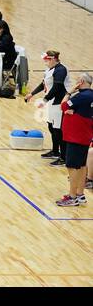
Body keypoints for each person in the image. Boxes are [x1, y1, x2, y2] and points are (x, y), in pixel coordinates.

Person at [57, 72, 93, 207]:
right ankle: (80, 194)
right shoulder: (91, 95)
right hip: (85, 135)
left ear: (82, 81)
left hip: (76, 137)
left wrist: (69, 92)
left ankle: (72, 197)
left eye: (77, 80)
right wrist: (74, 112)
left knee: (72, 166)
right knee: (82, 165)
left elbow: (63, 106)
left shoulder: (81, 96)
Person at [26, 50, 68, 161]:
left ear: (53, 58)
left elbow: (57, 88)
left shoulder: (61, 70)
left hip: (59, 103)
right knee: (51, 127)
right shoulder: (49, 69)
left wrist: (45, 99)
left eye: (46, 60)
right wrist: (32, 93)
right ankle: (55, 151)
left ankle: (63, 157)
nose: (45, 62)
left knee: (58, 130)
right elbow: (43, 83)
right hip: (51, 102)